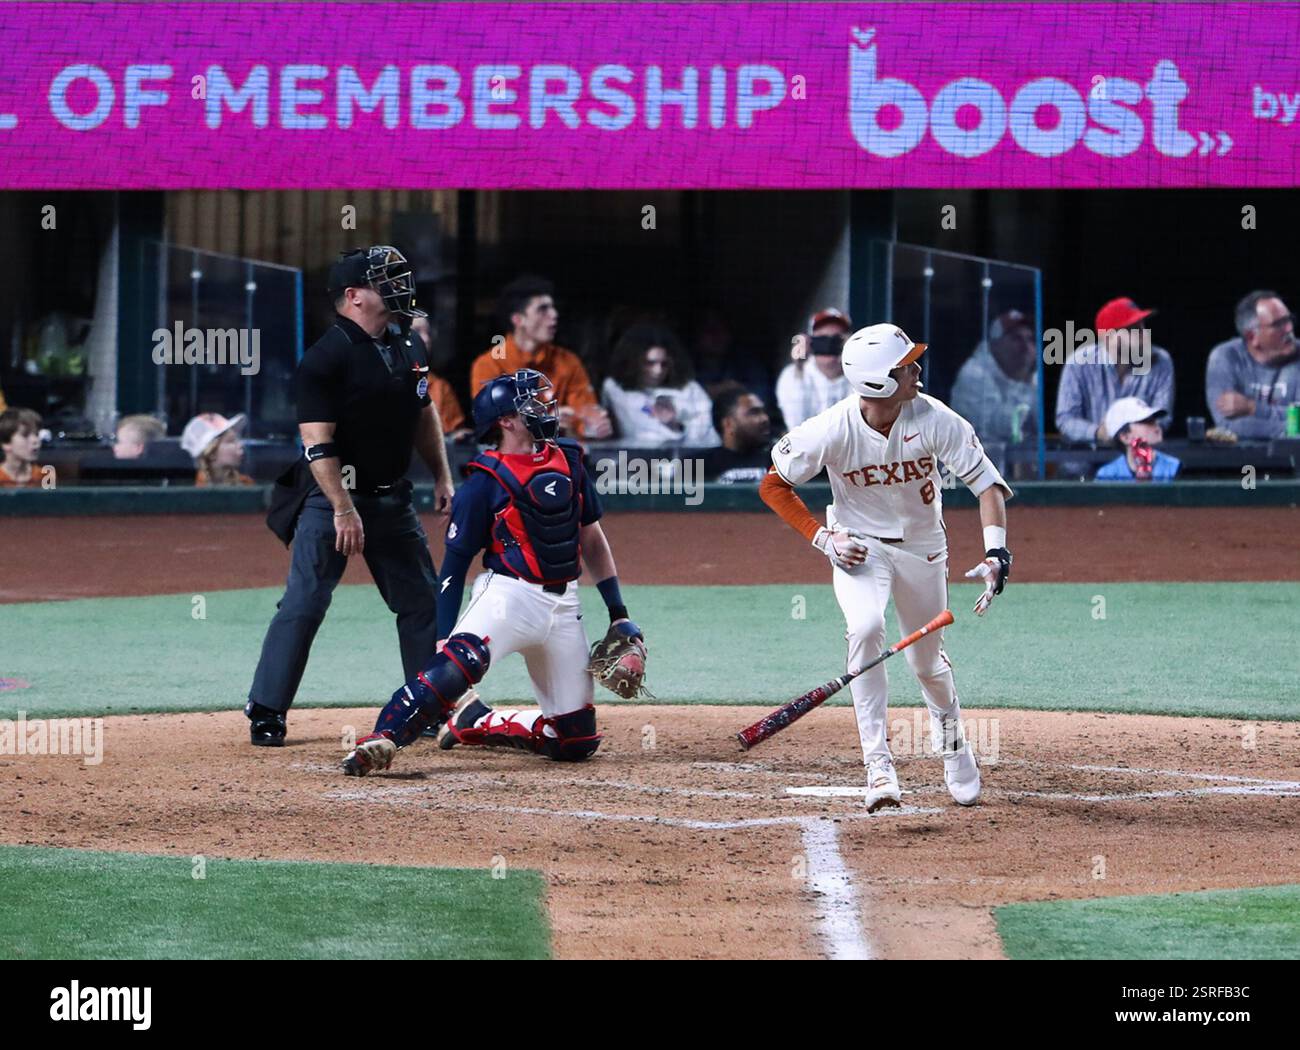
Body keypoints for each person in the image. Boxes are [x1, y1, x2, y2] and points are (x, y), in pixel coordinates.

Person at [341, 368, 645, 776]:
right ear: (505, 421)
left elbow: (592, 539)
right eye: (531, 403)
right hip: (509, 597)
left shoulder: (569, 460)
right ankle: (382, 737)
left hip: (564, 604)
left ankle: (476, 722)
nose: (545, 407)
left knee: (575, 740)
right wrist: (443, 635)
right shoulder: (482, 483)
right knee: (456, 665)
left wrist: (618, 611)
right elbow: (453, 567)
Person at [760, 323, 1012, 813]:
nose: (917, 370)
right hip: (860, 548)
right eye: (905, 366)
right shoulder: (831, 428)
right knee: (866, 628)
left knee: (925, 664)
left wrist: (996, 552)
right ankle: (879, 766)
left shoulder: (936, 418)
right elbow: (774, 484)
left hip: (923, 549)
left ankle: (954, 745)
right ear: (878, 382)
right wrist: (823, 537)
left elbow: (987, 486)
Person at [245, 246, 455, 747]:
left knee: (421, 600)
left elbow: (423, 415)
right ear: (354, 296)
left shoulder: (409, 343)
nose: (400, 287)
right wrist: (342, 508)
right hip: (331, 497)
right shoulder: (325, 357)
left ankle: (423, 705)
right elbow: (318, 443)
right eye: (386, 280)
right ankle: (267, 708)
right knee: (307, 599)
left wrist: (443, 476)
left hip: (392, 498)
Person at [469, 275, 611, 439]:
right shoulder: (489, 364)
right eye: (542, 309)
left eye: (553, 307)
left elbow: (584, 415)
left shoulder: (569, 362)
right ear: (518, 319)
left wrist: (593, 425)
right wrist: (547, 420)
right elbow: (492, 424)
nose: (554, 314)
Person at [1055, 297, 1174, 443]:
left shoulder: (1160, 360)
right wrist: (1099, 432)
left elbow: (1163, 417)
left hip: (1139, 457)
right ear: (1109, 337)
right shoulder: (1079, 363)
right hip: (1088, 459)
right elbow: (1065, 419)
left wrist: (1130, 434)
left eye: (1143, 327)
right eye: (1134, 330)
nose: (1144, 334)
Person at [600, 323, 719, 447]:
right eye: (649, 363)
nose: (658, 370)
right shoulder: (615, 388)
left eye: (664, 364)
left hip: (691, 461)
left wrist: (676, 424)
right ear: (633, 362)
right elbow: (641, 433)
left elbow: (710, 433)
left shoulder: (690, 388)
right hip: (636, 462)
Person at [1206, 290, 1300, 440]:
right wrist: (1290, 429)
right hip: (1242, 459)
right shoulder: (1225, 357)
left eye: (1288, 320)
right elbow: (1226, 425)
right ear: (1252, 336)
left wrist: (1252, 408)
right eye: (1278, 325)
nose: (1289, 329)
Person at [949, 309, 1038, 444]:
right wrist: (1021, 384)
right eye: (1016, 339)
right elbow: (1000, 430)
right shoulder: (974, 375)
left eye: (1029, 339)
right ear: (995, 345)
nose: (1026, 346)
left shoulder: (1031, 377)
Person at [775, 307, 853, 429]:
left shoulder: (857, 375)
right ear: (811, 342)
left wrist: (852, 358)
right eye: (823, 339)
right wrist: (799, 367)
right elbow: (795, 424)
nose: (829, 345)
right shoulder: (792, 374)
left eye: (835, 340)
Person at [409, 316, 469, 440]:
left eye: (428, 333)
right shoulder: (381, 379)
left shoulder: (440, 387)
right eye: (417, 330)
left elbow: (456, 432)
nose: (426, 339)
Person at [1095, 397, 1181, 482]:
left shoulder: (1174, 468)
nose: (1157, 427)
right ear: (1125, 437)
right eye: (1146, 421)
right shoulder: (1107, 475)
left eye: (1154, 420)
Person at [702, 381, 772, 483]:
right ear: (729, 424)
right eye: (754, 413)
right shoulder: (697, 465)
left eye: (763, 411)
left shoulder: (780, 461)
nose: (765, 418)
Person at [181, 412, 254, 486]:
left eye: (237, 439)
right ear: (211, 453)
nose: (240, 445)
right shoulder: (192, 491)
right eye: (231, 441)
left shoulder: (246, 484)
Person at [0, 407, 46, 488]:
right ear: (6, 443)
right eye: (25, 435)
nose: (35, 440)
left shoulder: (45, 476)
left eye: (37, 434)